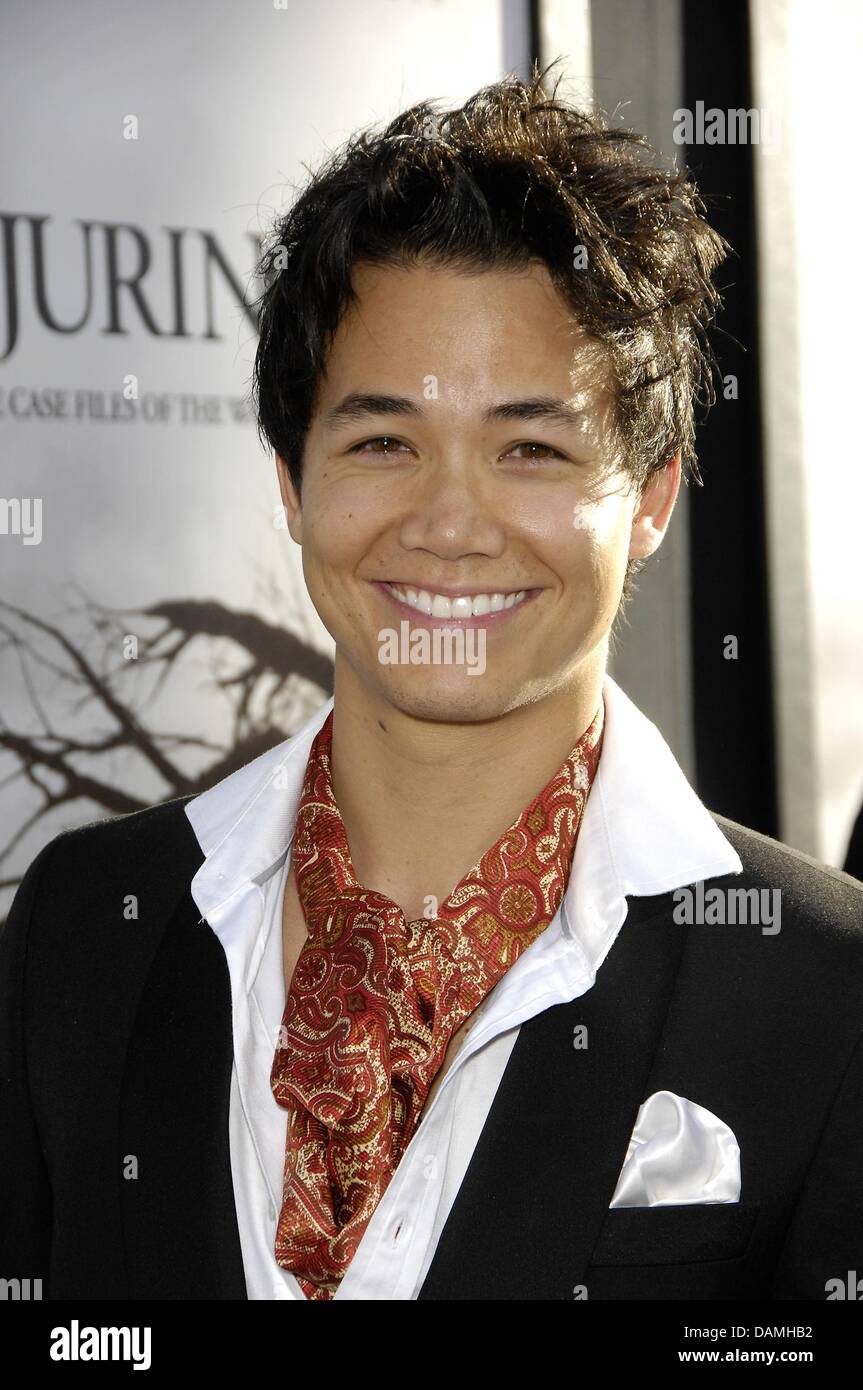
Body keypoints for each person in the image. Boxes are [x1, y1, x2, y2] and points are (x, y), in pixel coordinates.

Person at [2, 66, 861, 1303]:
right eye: (381, 442)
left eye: (530, 447)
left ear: (652, 497)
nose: (450, 524)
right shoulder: (83, 930)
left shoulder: (824, 988)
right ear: (293, 485)